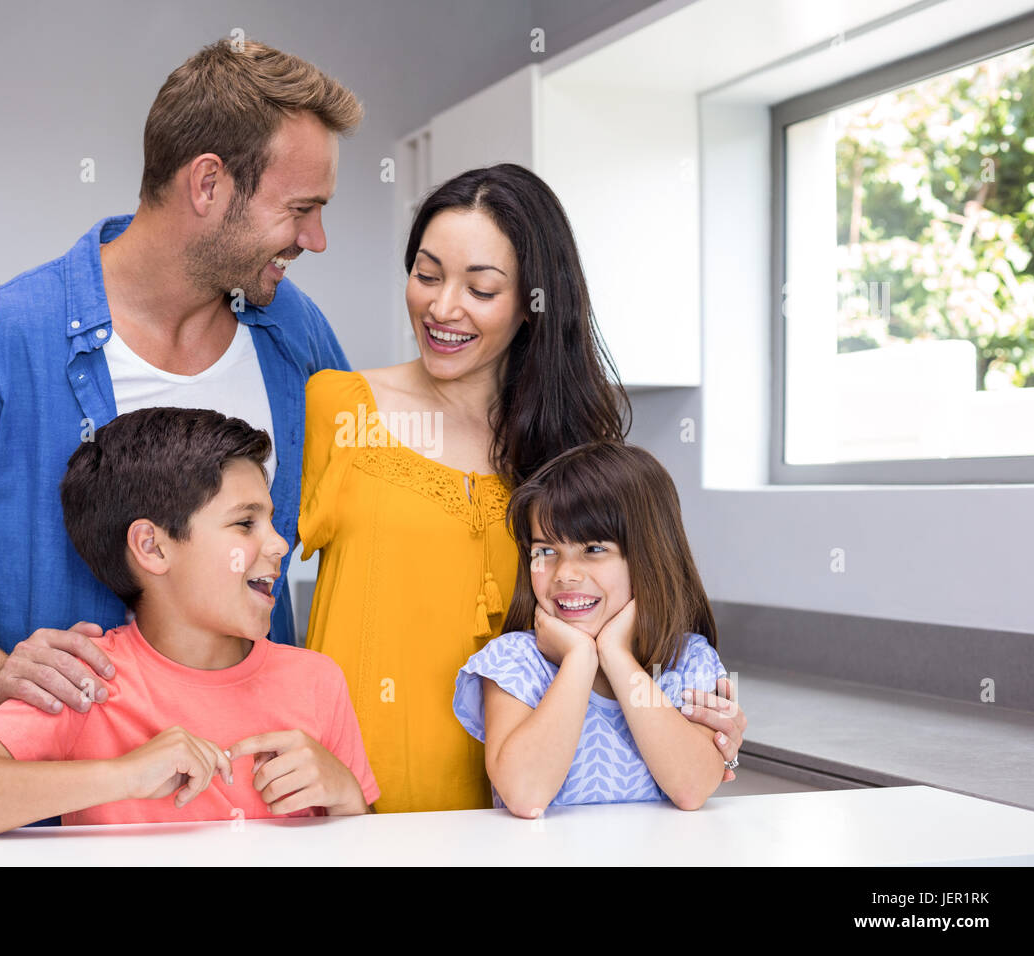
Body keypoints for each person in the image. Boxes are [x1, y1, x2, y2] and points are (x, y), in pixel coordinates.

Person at [0, 39, 360, 775]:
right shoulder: (2, 342)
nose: (316, 239)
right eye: (300, 210)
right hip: (48, 812)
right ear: (208, 184)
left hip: (241, 807)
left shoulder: (293, 332)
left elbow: (363, 515)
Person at [299, 164, 746, 814]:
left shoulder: (569, 454)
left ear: (534, 305)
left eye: (480, 289)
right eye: (427, 275)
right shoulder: (339, 406)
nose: (441, 306)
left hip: (528, 800)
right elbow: (243, 579)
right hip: (352, 784)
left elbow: (639, 620)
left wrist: (708, 724)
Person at [0, 407, 378, 838]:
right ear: (152, 546)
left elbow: (373, 846)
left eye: (271, 522)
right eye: (245, 523)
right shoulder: (88, 682)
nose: (278, 545)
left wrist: (348, 798)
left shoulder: (317, 682)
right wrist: (123, 775)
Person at [453, 439, 727, 816]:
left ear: (650, 557)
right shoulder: (513, 662)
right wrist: (579, 659)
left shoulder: (689, 660)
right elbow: (525, 794)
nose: (565, 574)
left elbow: (692, 788)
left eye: (594, 550)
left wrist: (615, 654)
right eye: (545, 552)